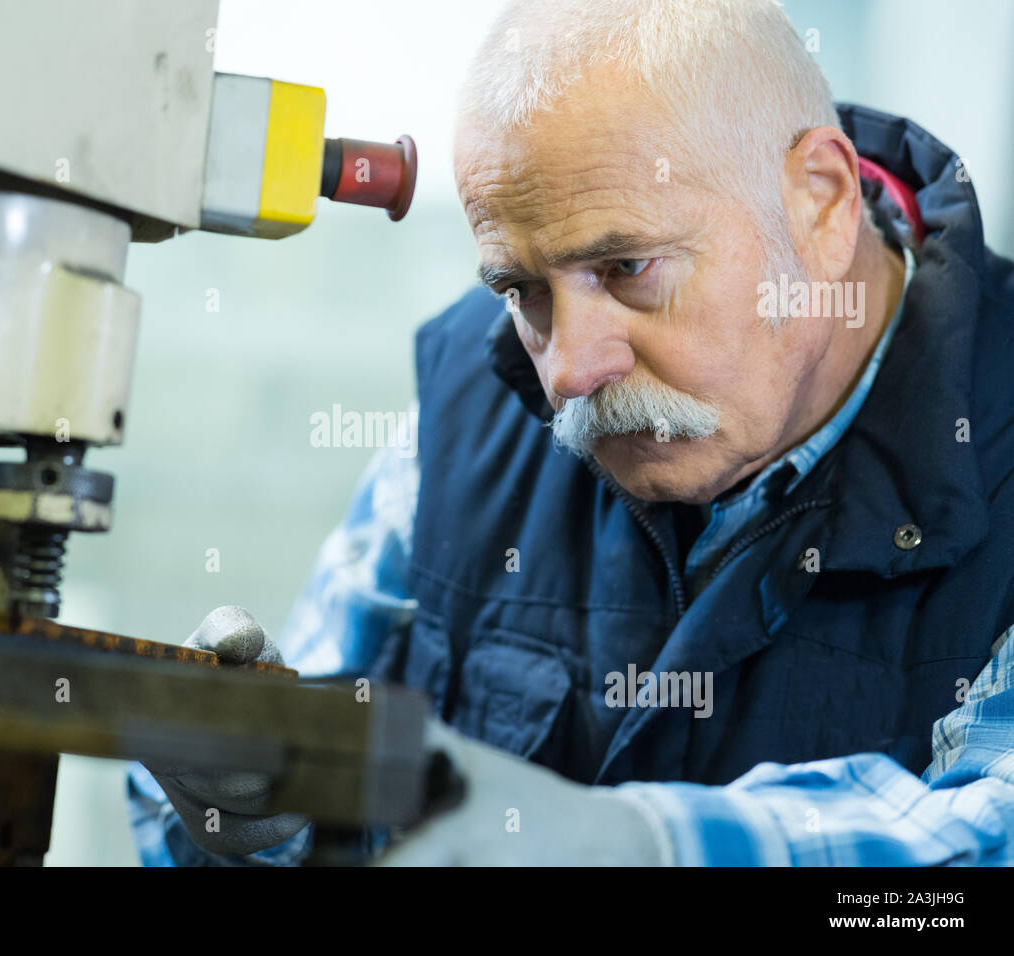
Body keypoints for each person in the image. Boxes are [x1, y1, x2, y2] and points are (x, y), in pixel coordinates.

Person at [130, 0, 1014, 865]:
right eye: (523, 290)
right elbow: (317, 754)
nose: (568, 373)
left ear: (821, 203)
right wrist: (257, 819)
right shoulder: (467, 416)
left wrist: (650, 850)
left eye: (626, 267)